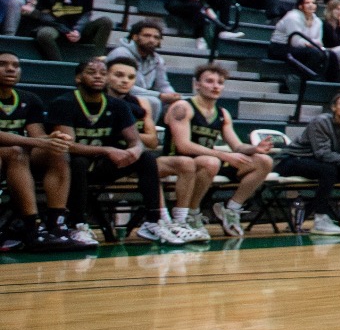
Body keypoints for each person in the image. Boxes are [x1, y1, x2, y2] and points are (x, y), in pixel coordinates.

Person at [48, 56, 178, 247]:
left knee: (146, 158)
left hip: (104, 167)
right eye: (91, 72)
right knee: (78, 162)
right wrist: (107, 149)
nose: (98, 77)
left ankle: (152, 221)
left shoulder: (119, 105)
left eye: (102, 73)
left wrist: (134, 151)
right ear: (78, 78)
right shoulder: (64, 103)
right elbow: (67, 144)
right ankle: (77, 224)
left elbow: (136, 141)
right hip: (70, 169)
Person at [163, 62, 276, 237]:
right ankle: (192, 213)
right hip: (180, 161)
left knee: (264, 161)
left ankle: (231, 209)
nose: (215, 86)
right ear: (197, 84)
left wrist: (255, 148)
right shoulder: (183, 107)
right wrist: (224, 155)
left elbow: (237, 146)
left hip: (210, 160)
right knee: (211, 162)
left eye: (220, 83)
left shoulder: (222, 113)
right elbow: (183, 146)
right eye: (209, 81)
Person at [108, 57, 213, 243]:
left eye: (131, 77)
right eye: (119, 75)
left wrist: (126, 134)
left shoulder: (142, 103)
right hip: (111, 162)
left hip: (138, 160)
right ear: (107, 76)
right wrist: (132, 136)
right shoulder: (100, 102)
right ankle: (160, 220)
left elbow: (152, 140)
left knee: (186, 163)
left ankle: (179, 223)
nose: (125, 80)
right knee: (149, 162)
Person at [0, 50, 82, 251]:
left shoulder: (30, 98)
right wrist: (37, 142)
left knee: (58, 152)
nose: (11, 68)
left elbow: (36, 135)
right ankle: (32, 227)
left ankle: (56, 225)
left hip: (19, 157)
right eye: (3, 64)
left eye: (16, 65)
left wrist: (53, 139)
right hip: (11, 155)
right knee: (16, 151)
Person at [277, 91, 340, 236]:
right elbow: (323, 154)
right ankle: (320, 220)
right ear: (333, 107)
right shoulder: (321, 121)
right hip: (293, 160)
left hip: (322, 163)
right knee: (328, 169)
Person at [33, 0, 112, 60]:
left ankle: (97, 58)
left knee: (105, 21)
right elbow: (44, 15)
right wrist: (66, 30)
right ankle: (58, 64)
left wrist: (77, 30)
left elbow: (86, 15)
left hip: (78, 30)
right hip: (56, 27)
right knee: (44, 34)